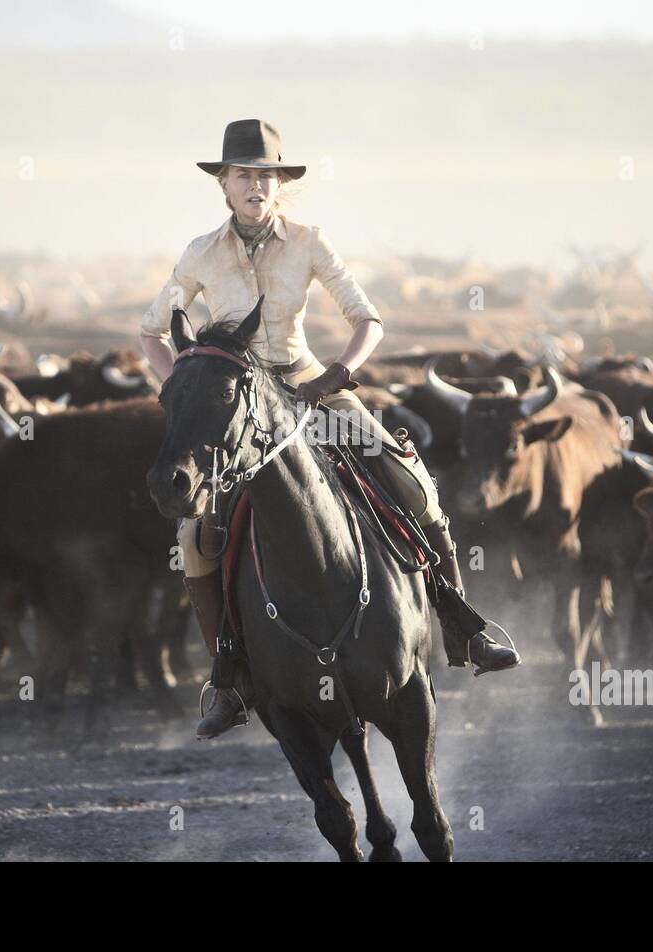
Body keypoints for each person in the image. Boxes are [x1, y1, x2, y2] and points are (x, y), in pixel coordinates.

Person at [140, 119, 520, 739]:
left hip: (311, 385)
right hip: (237, 409)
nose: (255, 185)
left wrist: (336, 374)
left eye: (265, 175)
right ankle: (230, 676)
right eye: (243, 175)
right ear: (226, 186)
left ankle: (461, 626)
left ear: (279, 185)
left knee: (412, 482)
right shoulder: (199, 254)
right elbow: (150, 330)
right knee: (193, 541)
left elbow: (367, 319)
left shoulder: (310, 242)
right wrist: (181, 387)